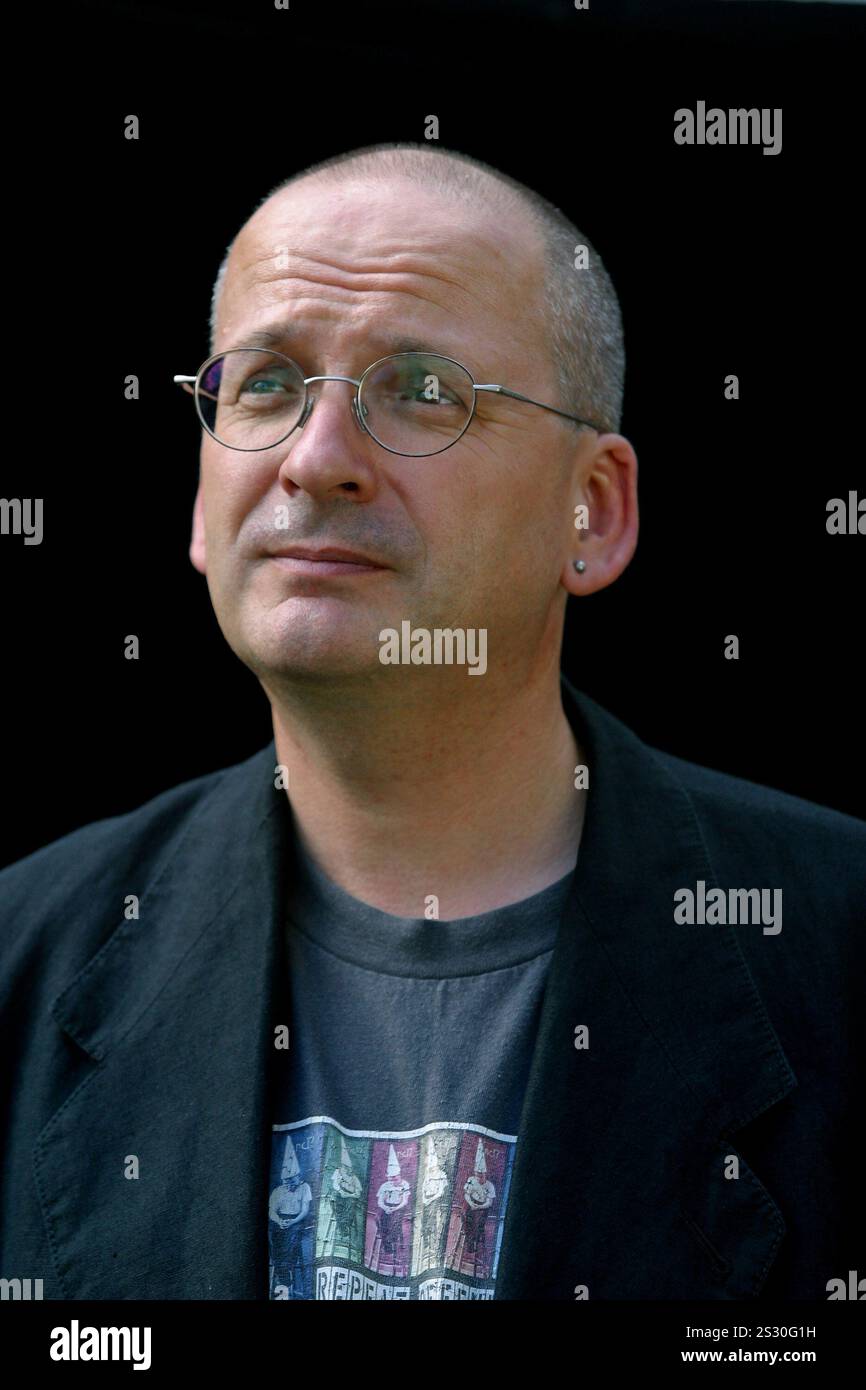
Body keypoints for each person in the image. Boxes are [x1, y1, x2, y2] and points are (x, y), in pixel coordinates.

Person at [0, 143, 862, 1302]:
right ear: (201, 501)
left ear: (591, 511)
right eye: (264, 384)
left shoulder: (838, 943)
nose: (315, 461)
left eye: (417, 391)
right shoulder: (21, 953)